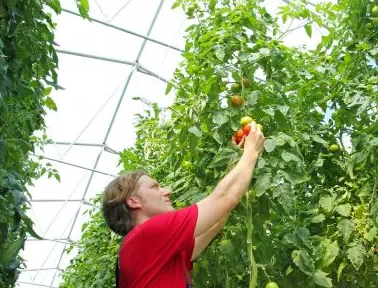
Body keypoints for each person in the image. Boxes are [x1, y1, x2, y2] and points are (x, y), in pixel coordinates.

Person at [102, 121, 265, 287]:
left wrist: (235, 162)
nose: (167, 191)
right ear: (133, 201)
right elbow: (225, 198)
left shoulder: (159, 252)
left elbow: (216, 220)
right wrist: (252, 152)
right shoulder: (146, 234)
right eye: (154, 187)